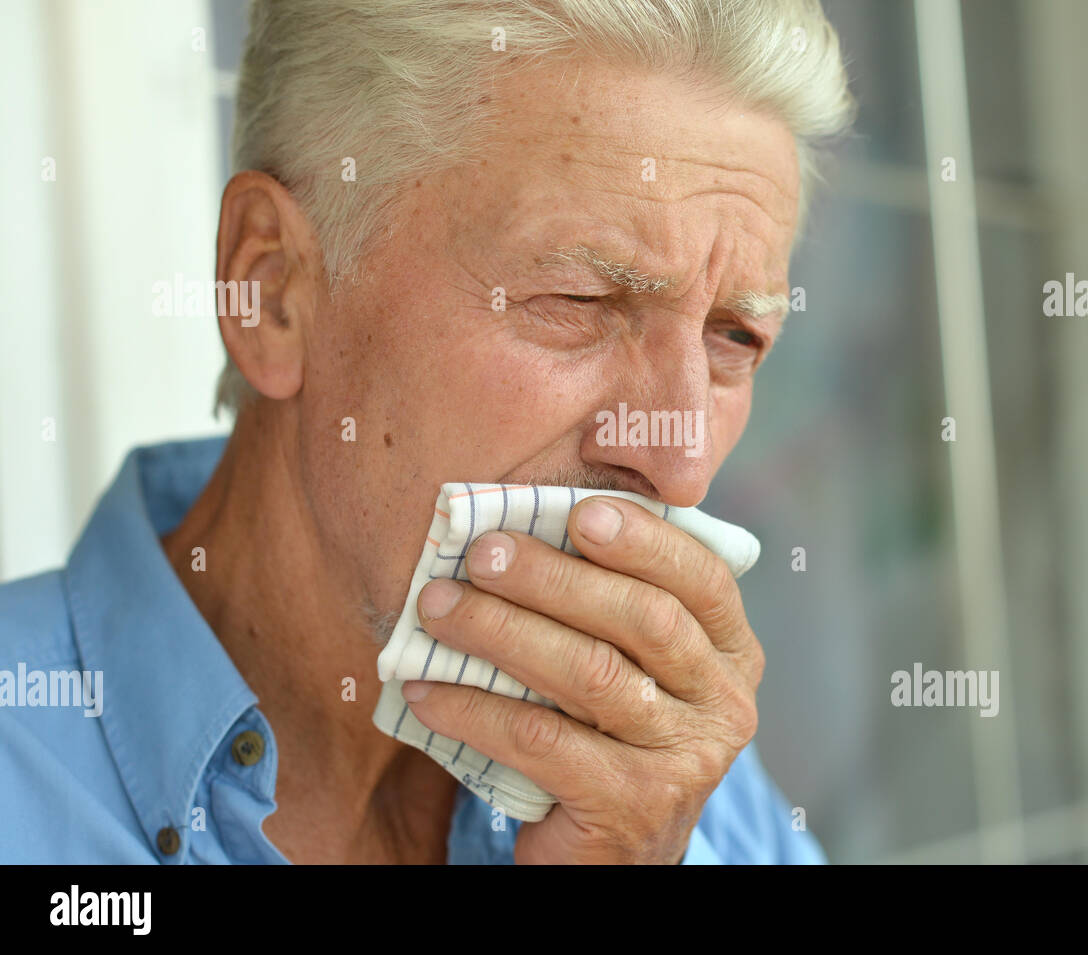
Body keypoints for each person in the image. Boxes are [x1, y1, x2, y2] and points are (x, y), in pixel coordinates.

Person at [0, 0, 854, 864]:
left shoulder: (689, 804)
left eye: (734, 337)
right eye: (578, 301)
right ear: (272, 292)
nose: (683, 464)